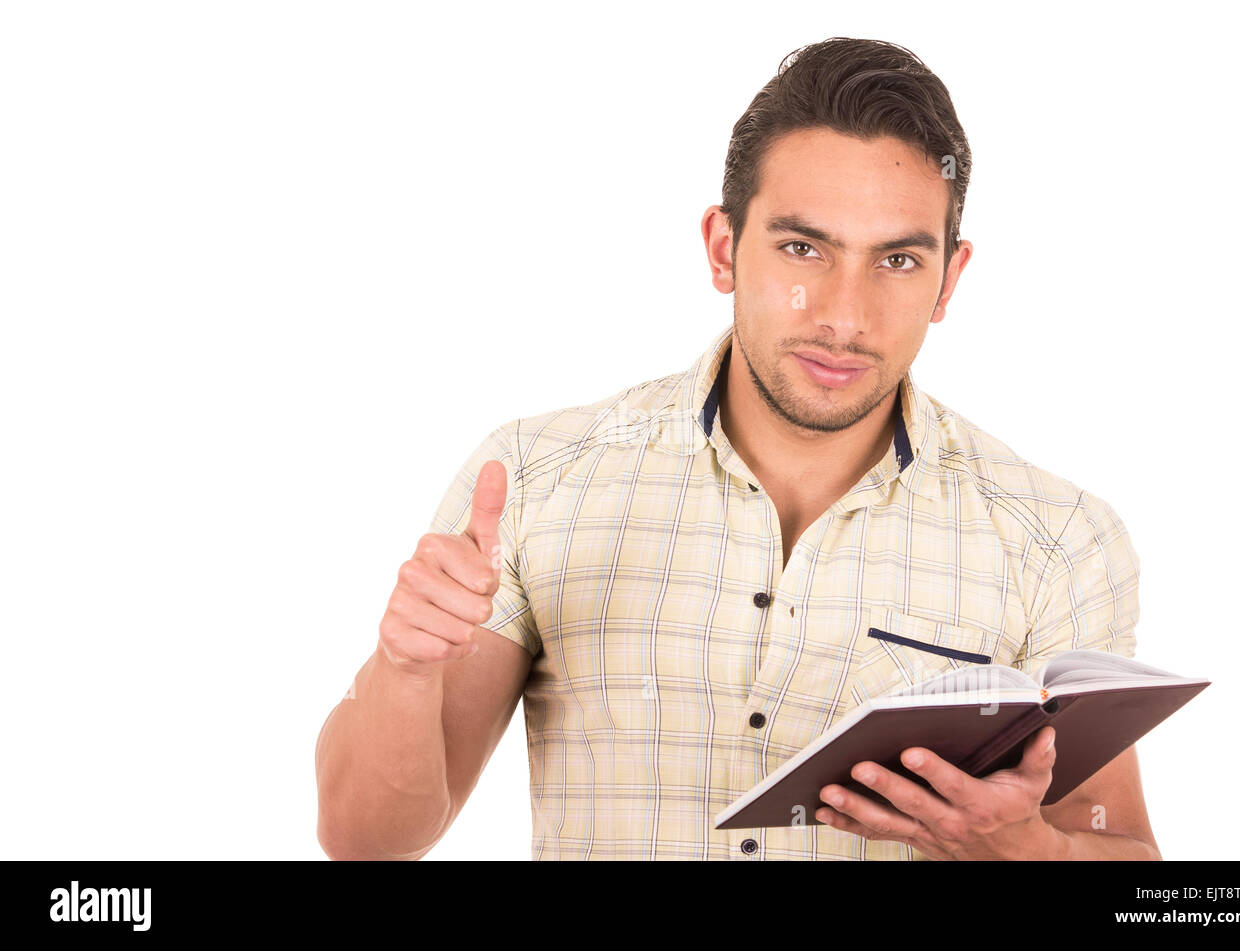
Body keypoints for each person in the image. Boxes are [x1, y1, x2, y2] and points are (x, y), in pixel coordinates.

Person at [315, 37, 1159, 861]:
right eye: (803, 248)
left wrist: (1024, 849)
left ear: (949, 280)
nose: (845, 313)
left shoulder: (1057, 540)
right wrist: (405, 666)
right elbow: (364, 845)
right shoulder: (537, 479)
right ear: (724, 248)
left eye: (898, 259)